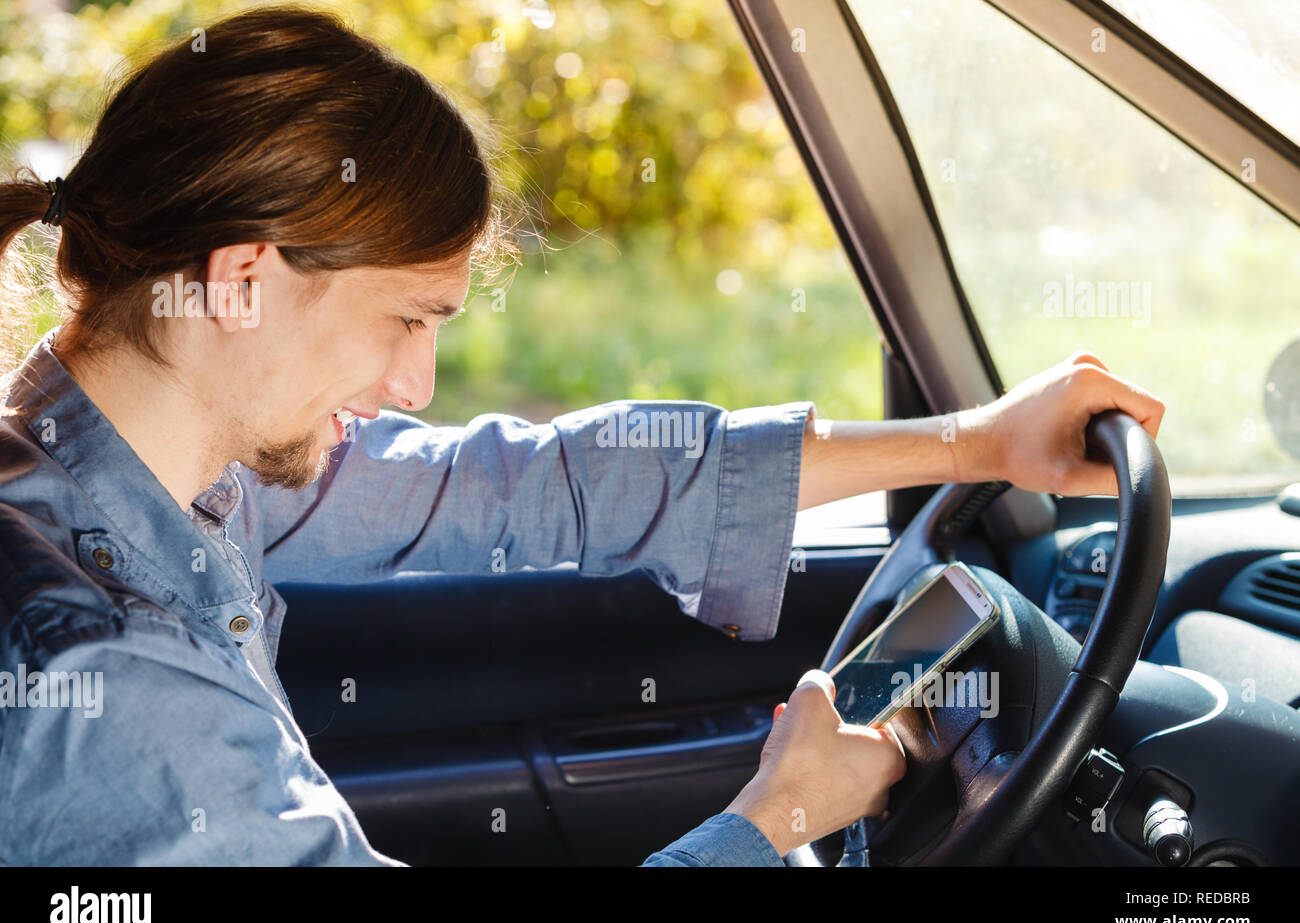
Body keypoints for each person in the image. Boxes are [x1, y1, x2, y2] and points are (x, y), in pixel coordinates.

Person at [0, 7, 1163, 867]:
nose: (417, 382)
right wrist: (779, 817)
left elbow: (528, 483)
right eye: (405, 319)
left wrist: (970, 445)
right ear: (241, 280)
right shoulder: (107, 679)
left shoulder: (159, 468)